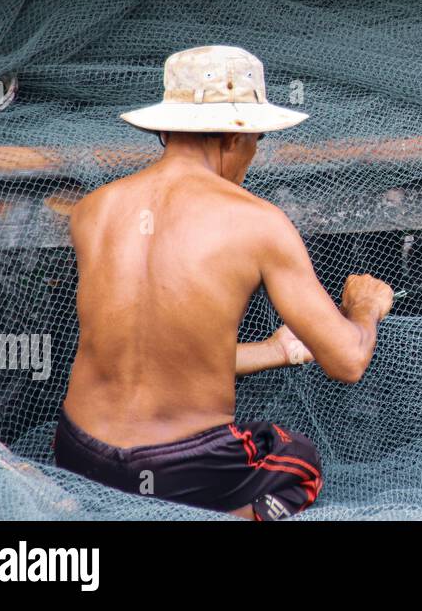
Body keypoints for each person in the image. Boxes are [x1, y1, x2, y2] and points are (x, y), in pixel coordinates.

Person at [54, 45, 393, 520]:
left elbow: (154, 353)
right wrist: (365, 306)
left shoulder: (93, 211)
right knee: (300, 461)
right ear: (235, 138)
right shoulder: (259, 223)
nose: (252, 156)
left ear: (165, 129)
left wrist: (277, 350)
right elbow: (348, 360)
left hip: (80, 455)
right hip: (181, 470)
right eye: (255, 140)